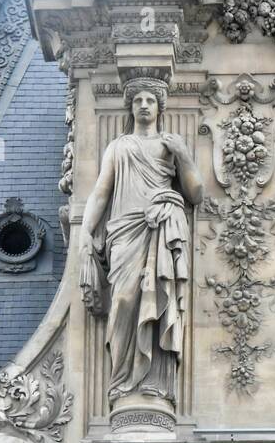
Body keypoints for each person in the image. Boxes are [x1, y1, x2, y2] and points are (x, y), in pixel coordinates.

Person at [79, 76, 202, 405]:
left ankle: (154, 384)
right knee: (122, 303)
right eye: (138, 101)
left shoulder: (170, 146)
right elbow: (100, 193)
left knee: (158, 300)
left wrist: (184, 156)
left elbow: (197, 193)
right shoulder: (118, 147)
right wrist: (85, 233)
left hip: (159, 231)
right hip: (124, 232)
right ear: (131, 107)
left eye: (150, 100)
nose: (144, 105)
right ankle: (123, 382)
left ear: (160, 107)